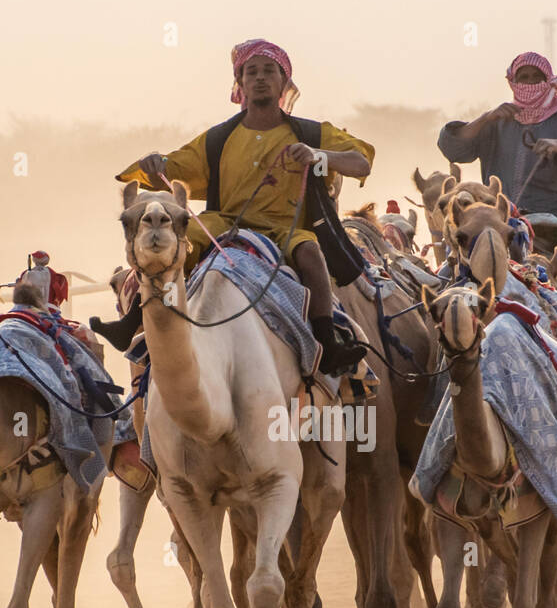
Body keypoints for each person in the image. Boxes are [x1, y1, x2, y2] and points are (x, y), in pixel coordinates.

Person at [107, 39, 373, 376]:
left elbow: (361, 162)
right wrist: (152, 162)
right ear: (241, 83)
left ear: (284, 82)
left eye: (269, 71)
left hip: (285, 229)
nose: (260, 78)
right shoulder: (217, 139)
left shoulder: (313, 133)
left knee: (312, 256)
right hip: (225, 225)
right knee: (176, 243)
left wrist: (320, 155)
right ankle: (133, 321)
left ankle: (327, 342)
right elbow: (171, 167)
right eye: (251, 72)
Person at [437, 51, 557, 327]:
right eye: (523, 77)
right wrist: (485, 119)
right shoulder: (497, 121)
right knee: (449, 277)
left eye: (537, 77)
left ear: (549, 81)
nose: (530, 82)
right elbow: (452, 147)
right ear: (511, 81)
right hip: (504, 225)